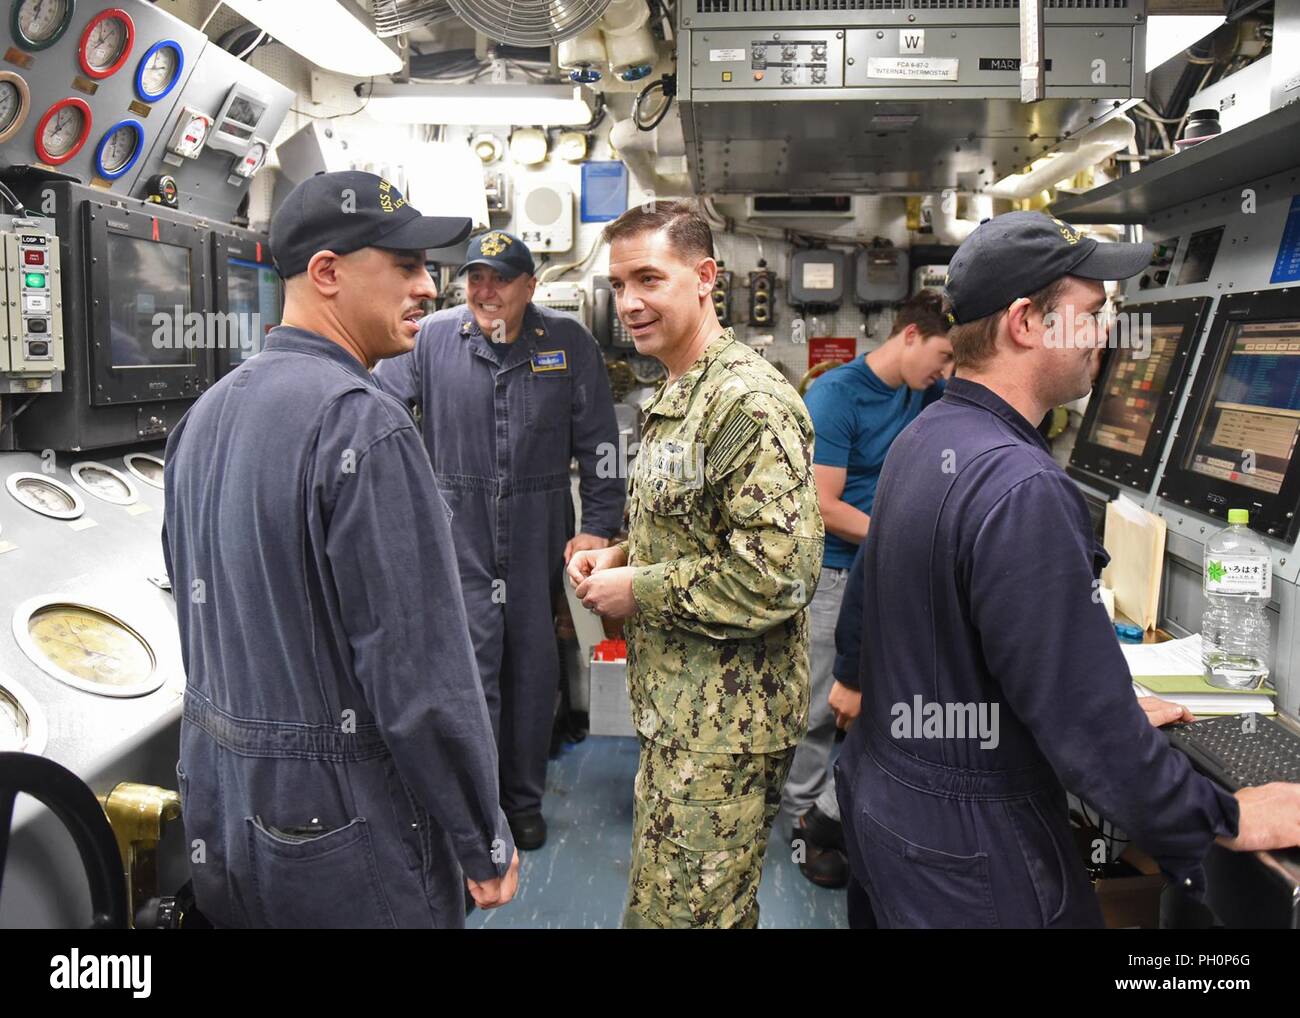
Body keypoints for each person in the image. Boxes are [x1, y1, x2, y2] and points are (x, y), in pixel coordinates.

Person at [834, 210, 1300, 928]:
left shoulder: (925, 437)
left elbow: (889, 609)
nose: (1106, 330)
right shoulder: (1022, 487)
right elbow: (1093, 741)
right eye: (1090, 312)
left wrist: (1089, 703)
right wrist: (1229, 816)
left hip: (892, 810)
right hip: (974, 853)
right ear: (1026, 322)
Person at [162, 171, 518, 928]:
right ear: (327, 273)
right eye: (404, 265)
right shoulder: (363, 424)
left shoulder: (203, 417)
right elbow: (421, 673)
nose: (429, 286)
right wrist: (480, 834)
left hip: (225, 815)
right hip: (343, 836)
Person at [567, 200, 824, 928]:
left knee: (687, 921)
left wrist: (636, 589)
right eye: (618, 286)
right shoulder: (682, 391)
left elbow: (779, 573)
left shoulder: (744, 401)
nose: (630, 303)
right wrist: (620, 553)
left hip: (725, 727)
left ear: (705, 276)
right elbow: (692, 525)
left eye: (649, 278)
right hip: (683, 713)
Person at [374, 230, 623, 851]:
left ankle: (523, 800)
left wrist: (597, 522)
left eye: (501, 280)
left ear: (529, 288)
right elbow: (377, 409)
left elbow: (601, 444)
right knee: (469, 668)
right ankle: (478, 809)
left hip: (542, 523)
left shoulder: (568, 343)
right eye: (476, 279)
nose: (486, 291)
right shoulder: (431, 337)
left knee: (535, 672)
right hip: (458, 521)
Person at [788, 290, 953, 888]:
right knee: (818, 711)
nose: (946, 370)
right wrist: (902, 534)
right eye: (942, 354)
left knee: (884, 708)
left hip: (890, 573)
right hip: (835, 573)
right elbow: (824, 505)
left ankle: (836, 816)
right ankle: (801, 829)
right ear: (909, 335)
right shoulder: (836, 396)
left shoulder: (925, 392)